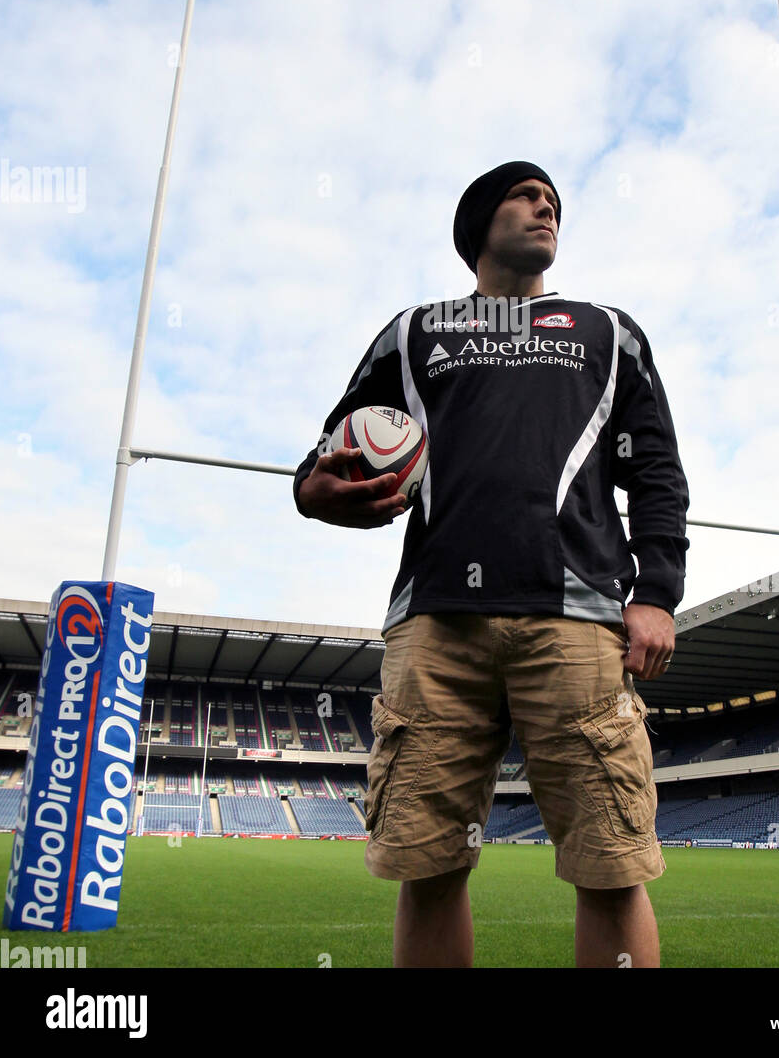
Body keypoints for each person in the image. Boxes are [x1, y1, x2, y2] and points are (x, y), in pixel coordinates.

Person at [293, 160, 690, 968]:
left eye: (553, 204)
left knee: (612, 867)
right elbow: (328, 456)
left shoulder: (605, 330)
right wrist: (315, 492)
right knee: (427, 866)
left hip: (576, 618)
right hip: (435, 622)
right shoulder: (415, 332)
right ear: (479, 223)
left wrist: (655, 592)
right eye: (525, 197)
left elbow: (656, 472)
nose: (545, 210)